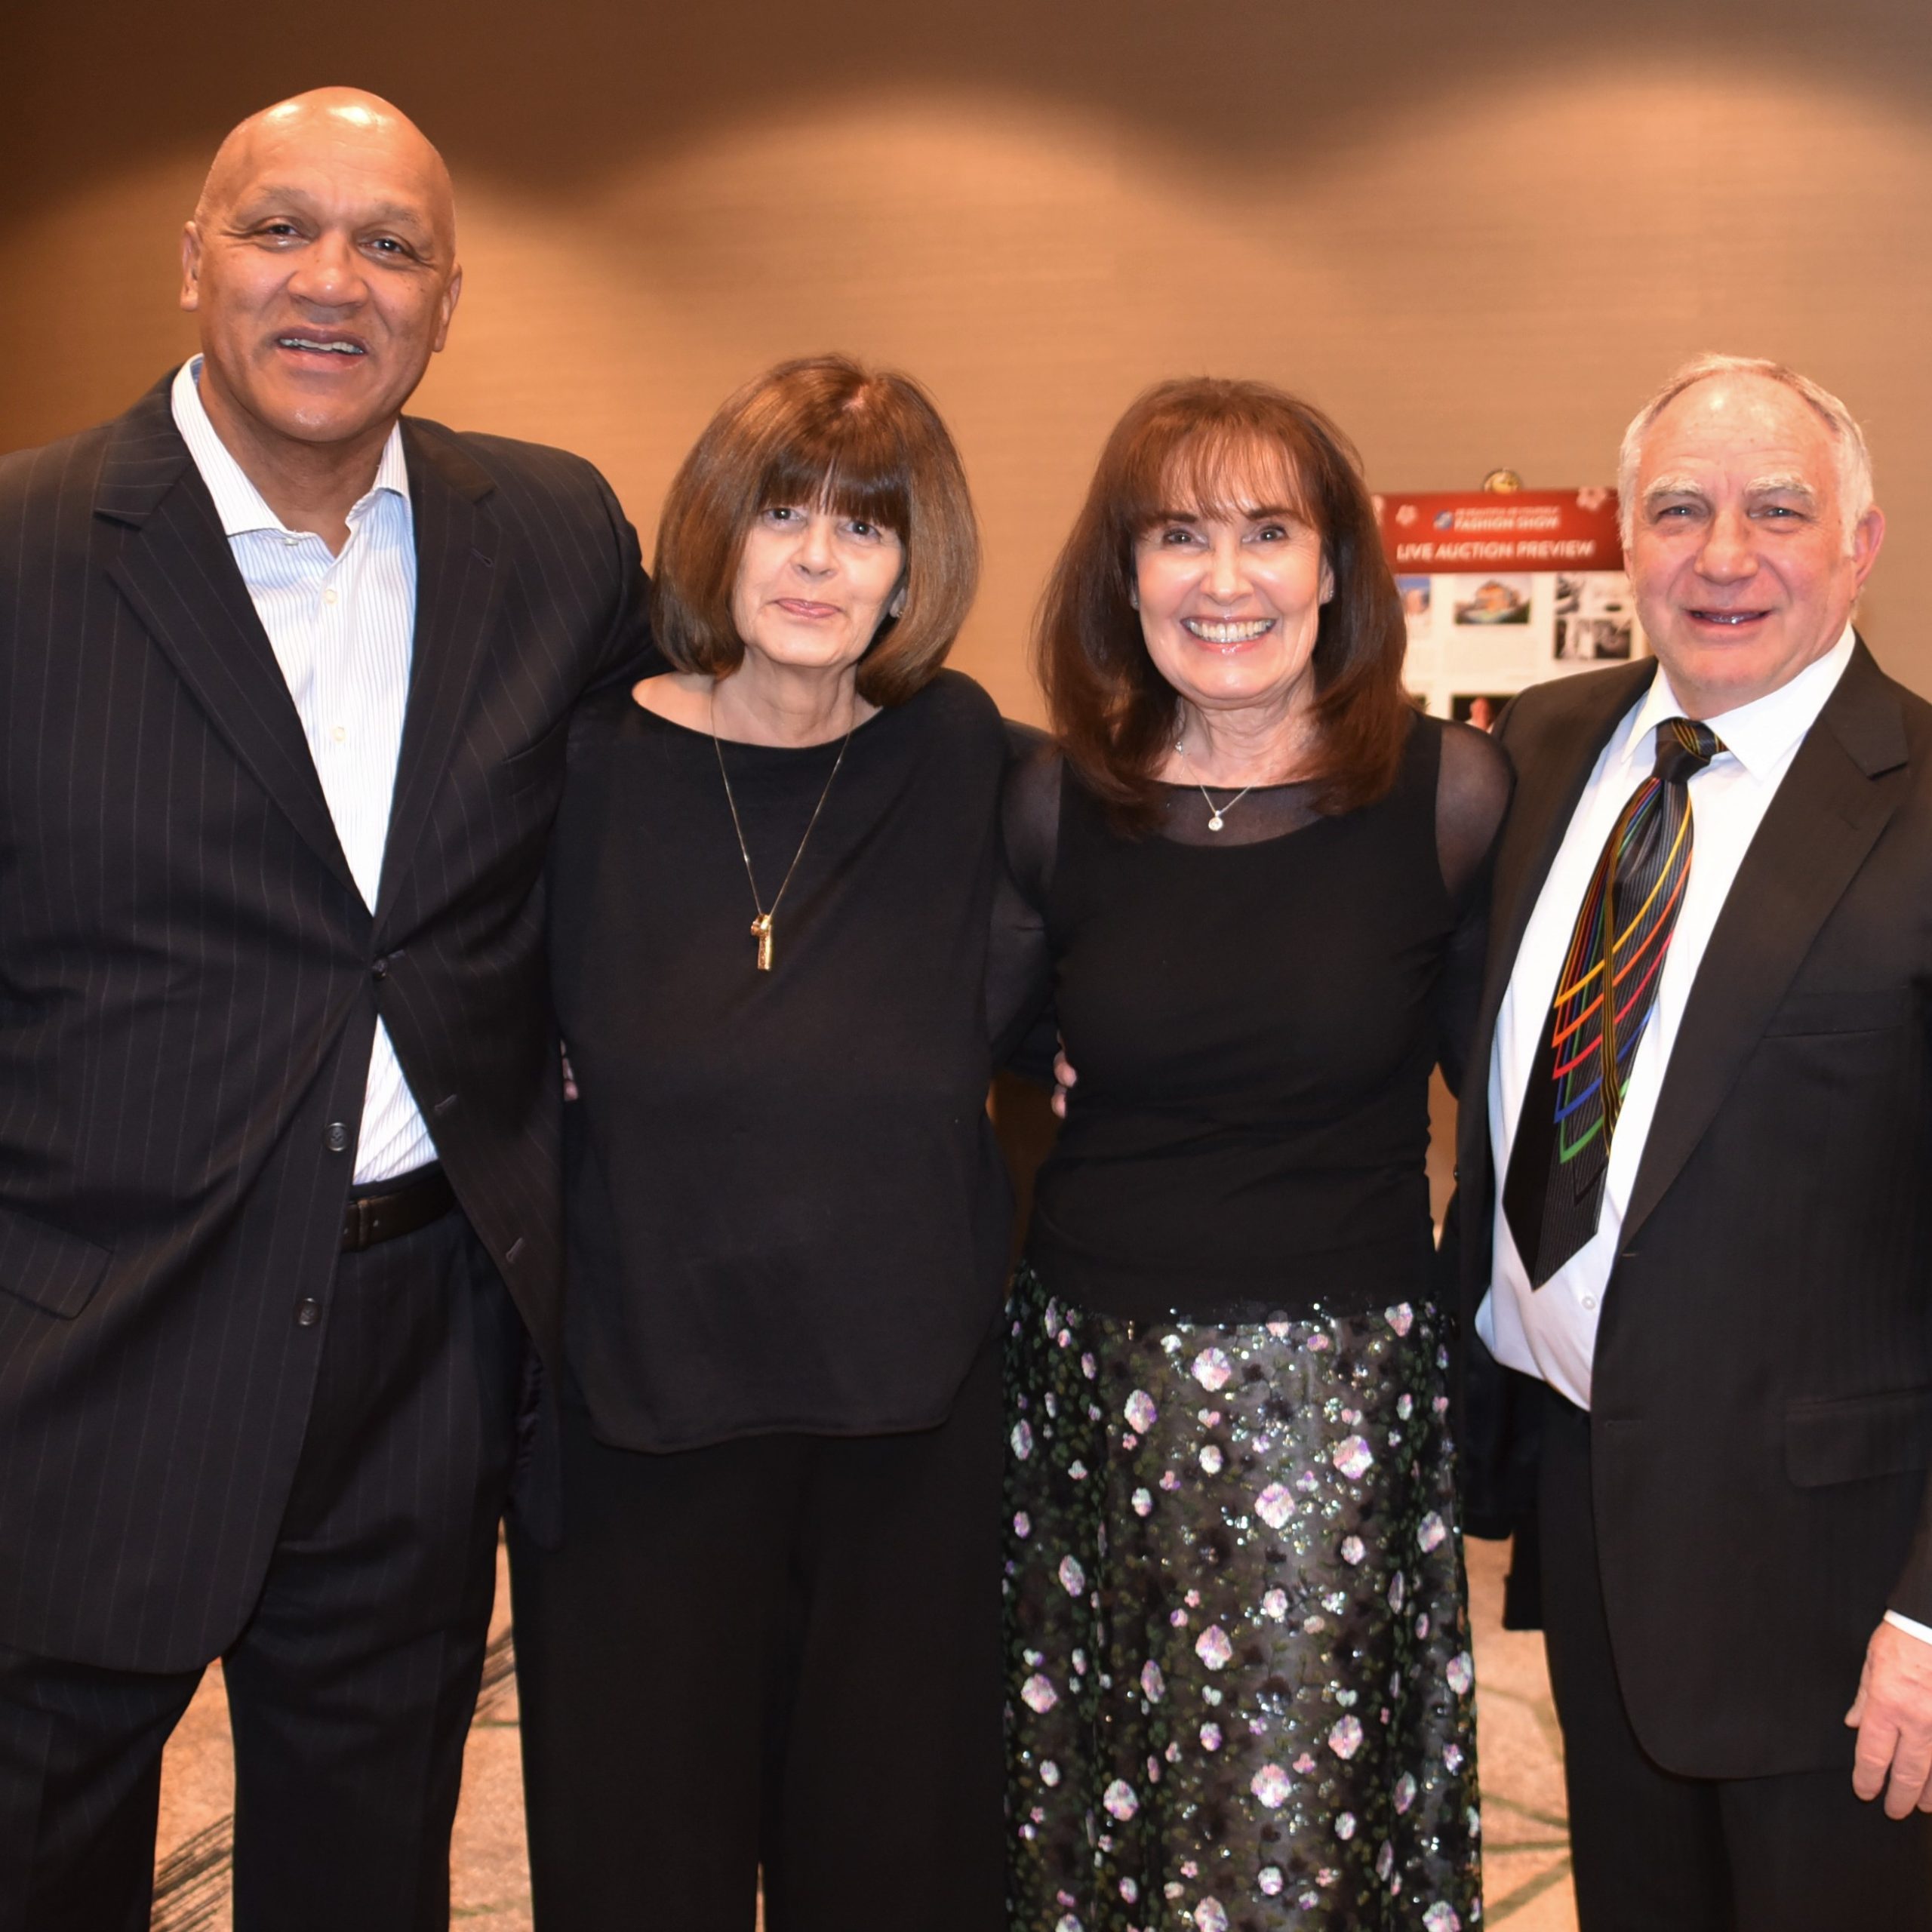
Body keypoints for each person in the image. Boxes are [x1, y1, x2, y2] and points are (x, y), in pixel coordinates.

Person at [0, 90, 649, 1930]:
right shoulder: (25, 553)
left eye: (389, 246)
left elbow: (727, 767)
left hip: (420, 1342)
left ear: (448, 300)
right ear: (191, 258)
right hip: (74, 1344)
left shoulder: (552, 533)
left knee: (366, 1873)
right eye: (281, 230)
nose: (330, 283)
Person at [508, 355, 1020, 1932]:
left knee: (892, 1872)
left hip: (907, 1439)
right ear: (714, 532)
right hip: (639, 1428)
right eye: (782, 514)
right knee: (636, 1869)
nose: (816, 560)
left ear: (909, 567)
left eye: (864, 530)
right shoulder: (578, 762)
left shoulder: (959, 757)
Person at [1001, 377, 1509, 1932]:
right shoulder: (1050, 801)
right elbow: (981, 1036)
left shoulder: (1448, 796)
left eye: (1267, 531)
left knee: (1292, 1853)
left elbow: (1511, 1110)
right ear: (1122, 575)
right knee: (1093, 1817)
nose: (1224, 579)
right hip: (1084, 1390)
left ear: (1336, 568)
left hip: (1331, 1406)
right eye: (1178, 535)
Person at [1460, 353, 1932, 1930]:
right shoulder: (1530, 752)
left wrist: (1928, 1618)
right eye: (1678, 508)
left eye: (1774, 509)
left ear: (1860, 542)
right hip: (1596, 1515)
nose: (1721, 554)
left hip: (1841, 1587)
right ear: (1620, 535)